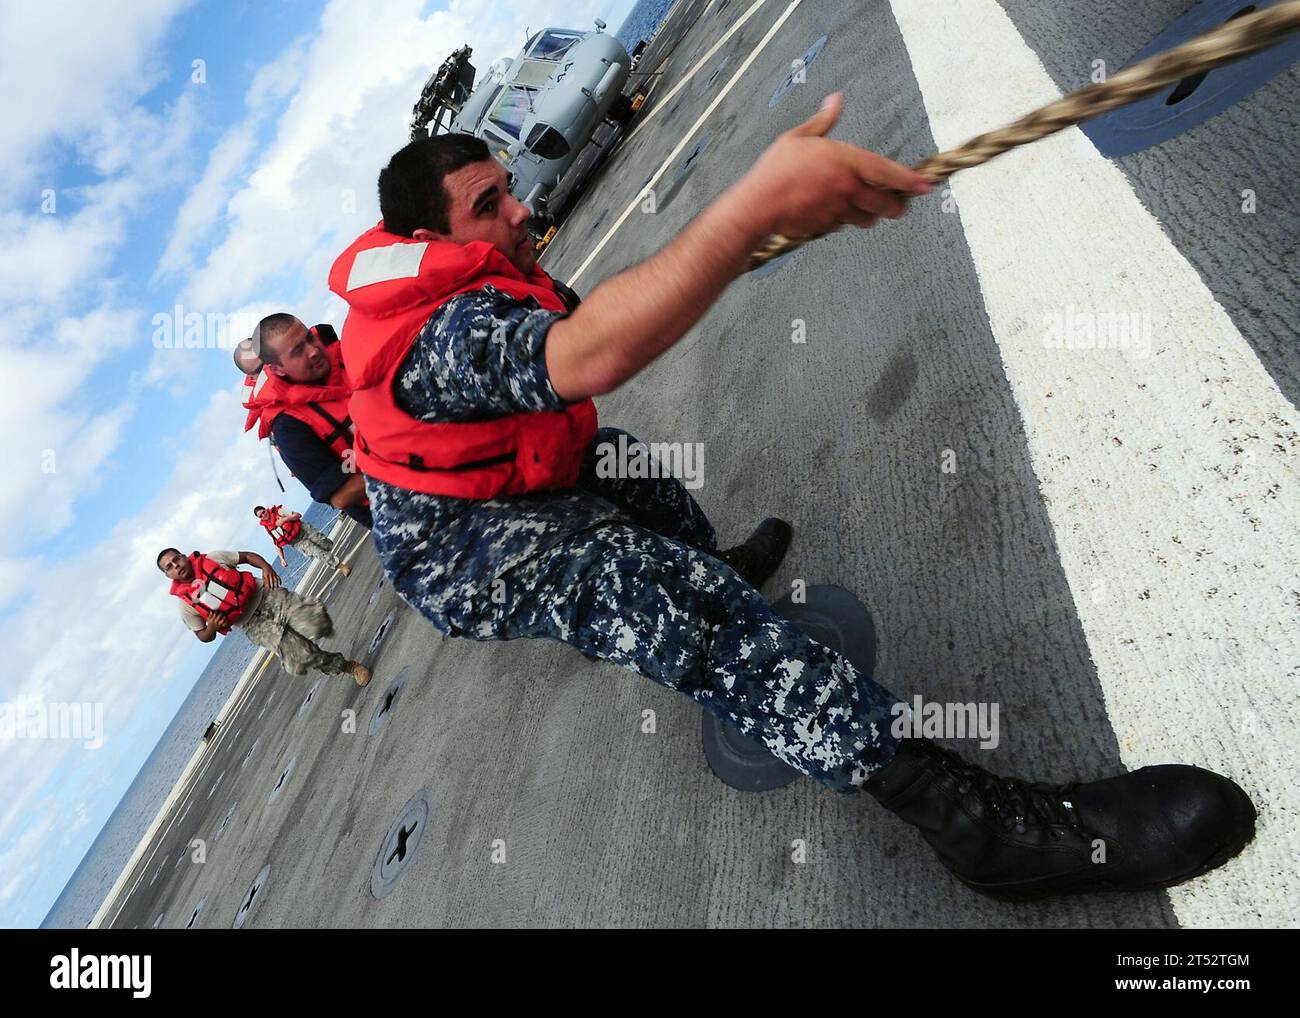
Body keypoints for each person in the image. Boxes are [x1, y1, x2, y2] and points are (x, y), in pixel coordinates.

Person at [326, 94, 1255, 900]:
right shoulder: (435, 332)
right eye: (491, 206)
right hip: (463, 555)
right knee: (646, 586)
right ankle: (978, 831)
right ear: (424, 240)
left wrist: (753, 237)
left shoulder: (479, 276)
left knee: (626, 466)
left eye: (509, 185)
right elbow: (591, 351)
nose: (522, 210)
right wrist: (746, 210)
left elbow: (603, 331)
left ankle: (717, 576)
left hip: (519, 478)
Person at [158, 547, 370, 686]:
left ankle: (312, 616)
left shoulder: (213, 558)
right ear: (168, 576)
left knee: (317, 624)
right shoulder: (185, 606)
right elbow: (203, 636)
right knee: (303, 657)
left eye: (176, 559)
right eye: (169, 567)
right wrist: (212, 626)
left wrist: (266, 567)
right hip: (253, 625)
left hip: (267, 596)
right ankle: (348, 667)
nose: (175, 565)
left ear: (184, 556)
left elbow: (247, 557)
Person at [242, 317, 373, 529]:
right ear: (275, 369)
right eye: (297, 351)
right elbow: (340, 496)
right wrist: (400, 457)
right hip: (387, 506)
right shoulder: (287, 428)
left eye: (309, 339)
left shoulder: (347, 353)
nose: (312, 351)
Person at [254, 503, 352, 575]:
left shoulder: (279, 512)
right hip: (297, 542)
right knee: (318, 553)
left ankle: (327, 547)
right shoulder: (268, 528)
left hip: (303, 529)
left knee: (324, 543)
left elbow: (297, 515)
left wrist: (285, 519)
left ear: (266, 509)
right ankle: (342, 567)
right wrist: (282, 559)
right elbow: (276, 543)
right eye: (260, 516)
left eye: (263, 512)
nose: (263, 515)